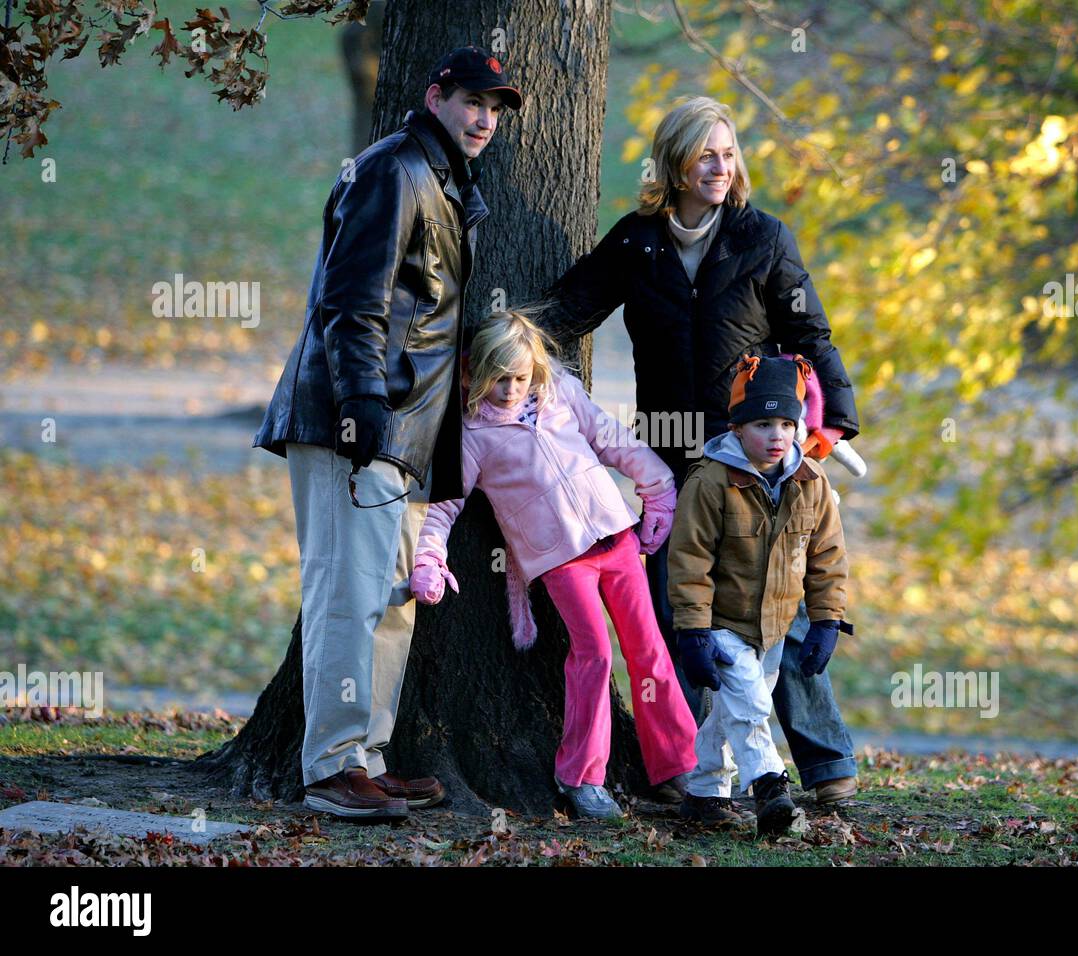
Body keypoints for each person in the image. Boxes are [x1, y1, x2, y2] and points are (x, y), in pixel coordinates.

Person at [540, 95, 862, 804]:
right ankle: (700, 772)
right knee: (682, 604)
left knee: (779, 598)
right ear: (675, 165)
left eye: (729, 153)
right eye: (705, 154)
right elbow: (567, 309)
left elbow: (812, 335)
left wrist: (833, 420)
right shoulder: (636, 243)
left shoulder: (763, 238)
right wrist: (501, 340)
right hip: (674, 456)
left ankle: (826, 761)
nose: (721, 167)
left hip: (760, 451)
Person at [252, 47, 523, 819]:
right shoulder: (393, 170)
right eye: (473, 100)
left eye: (496, 109)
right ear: (437, 95)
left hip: (406, 436)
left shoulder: (444, 181)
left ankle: (366, 756)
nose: (485, 119)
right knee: (346, 595)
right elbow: (352, 303)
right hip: (356, 425)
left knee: (393, 598)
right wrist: (364, 409)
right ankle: (332, 768)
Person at [411, 310, 698, 820]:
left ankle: (678, 765)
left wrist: (658, 491)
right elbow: (443, 507)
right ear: (473, 372)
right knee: (594, 654)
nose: (509, 389)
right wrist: (429, 558)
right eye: (498, 378)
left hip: (618, 540)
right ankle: (582, 777)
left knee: (650, 648)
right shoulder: (472, 436)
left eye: (519, 378)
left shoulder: (561, 397)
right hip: (561, 561)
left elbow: (614, 440)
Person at [668, 355, 851, 835]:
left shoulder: (810, 481)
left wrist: (827, 621)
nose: (776, 435)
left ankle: (704, 795)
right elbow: (690, 559)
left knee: (730, 713)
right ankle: (771, 789)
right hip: (722, 626)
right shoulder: (710, 481)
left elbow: (827, 556)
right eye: (762, 423)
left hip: (773, 627)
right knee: (751, 707)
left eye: (787, 423)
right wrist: (693, 630)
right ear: (737, 426)